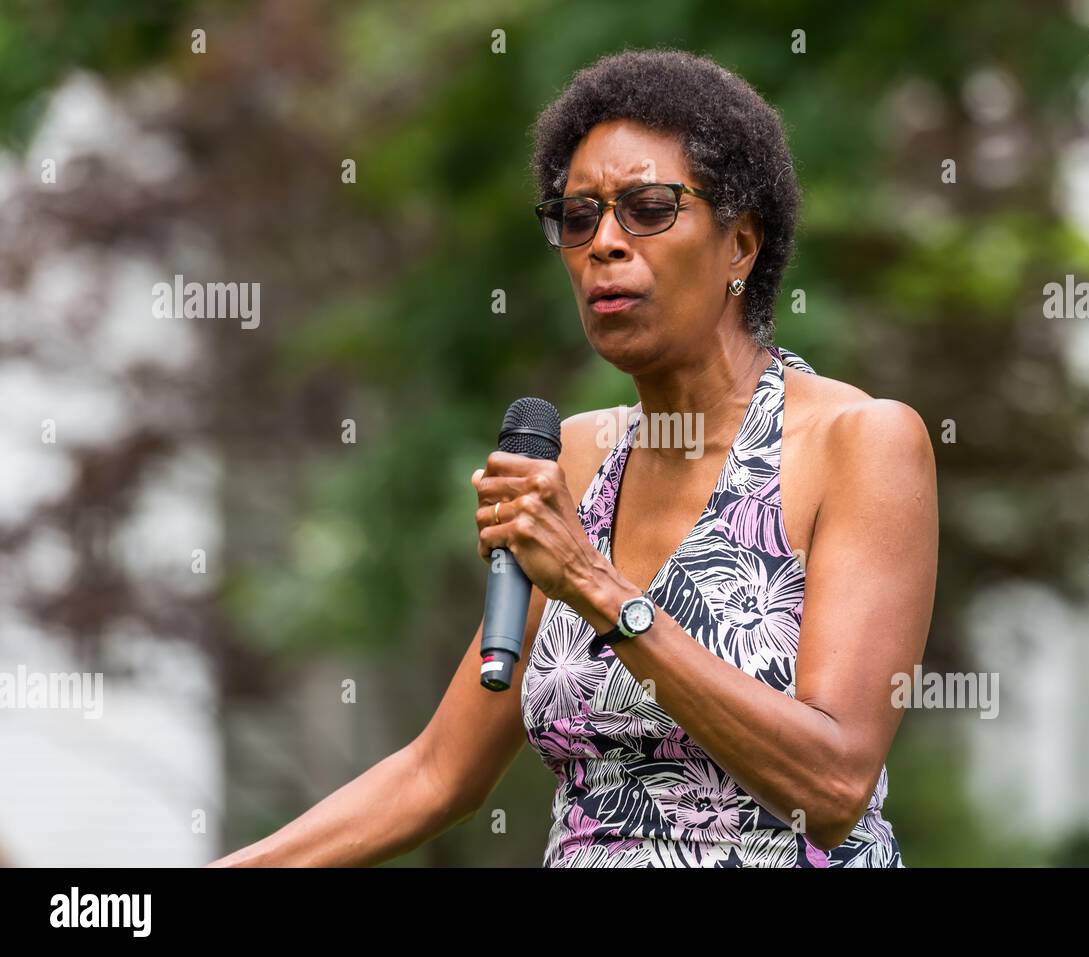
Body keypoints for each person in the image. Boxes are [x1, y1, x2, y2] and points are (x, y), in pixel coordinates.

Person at [209, 48, 936, 868]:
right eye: (579, 216)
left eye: (649, 209)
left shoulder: (858, 442)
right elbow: (437, 772)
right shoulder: (579, 457)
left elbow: (832, 788)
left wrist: (594, 585)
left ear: (741, 244)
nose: (605, 245)